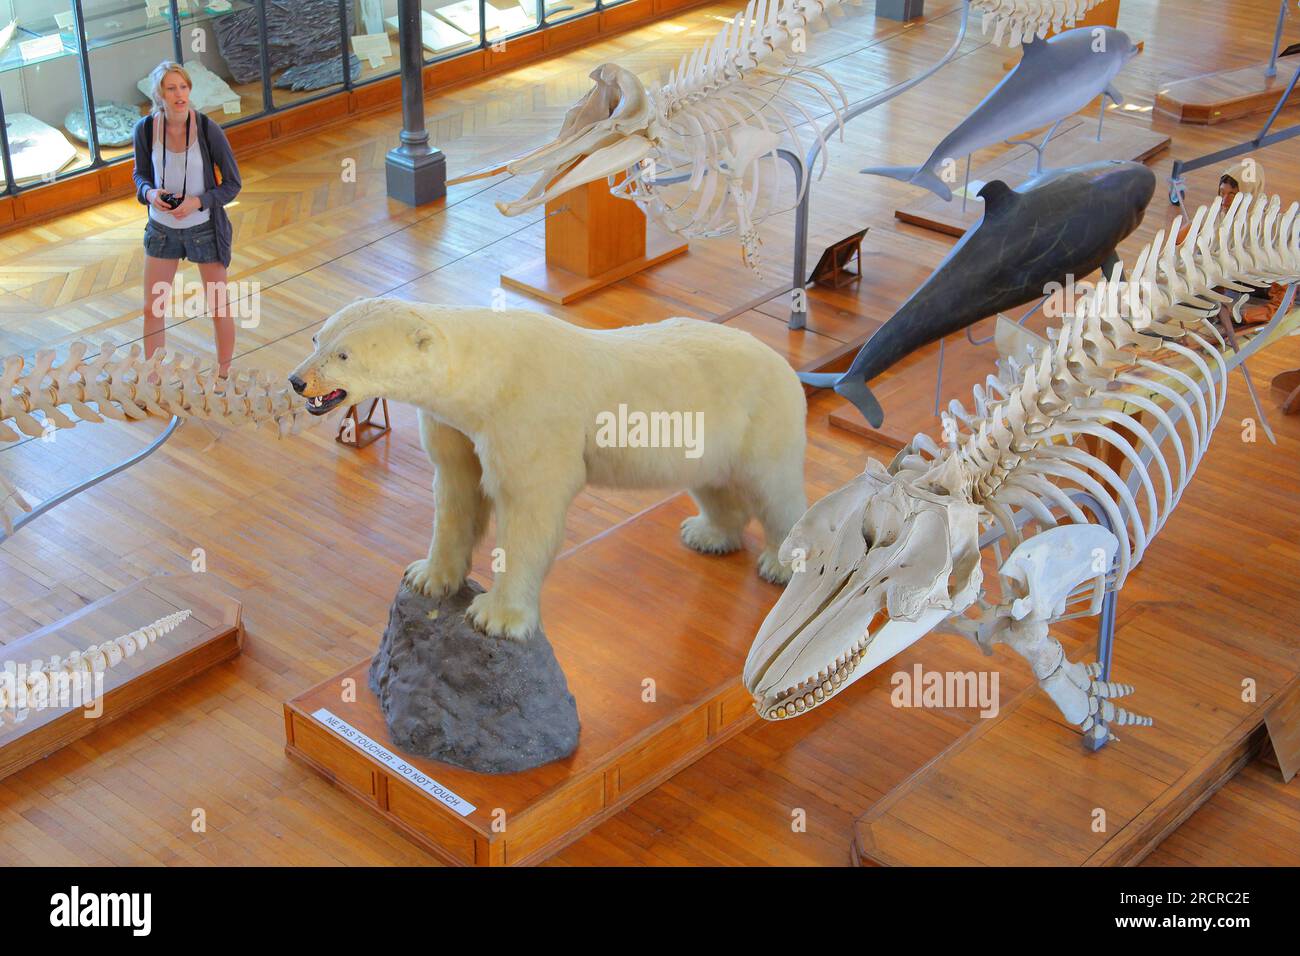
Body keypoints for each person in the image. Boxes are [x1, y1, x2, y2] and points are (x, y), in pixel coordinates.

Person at [131, 61, 242, 384]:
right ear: (159, 95)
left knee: (219, 307)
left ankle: (223, 376)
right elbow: (139, 175)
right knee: (153, 309)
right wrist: (150, 194)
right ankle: (154, 379)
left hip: (205, 230)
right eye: (171, 88)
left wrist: (198, 201)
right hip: (162, 232)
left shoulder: (209, 130)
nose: (179, 94)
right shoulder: (145, 129)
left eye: (183, 87)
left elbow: (232, 184)